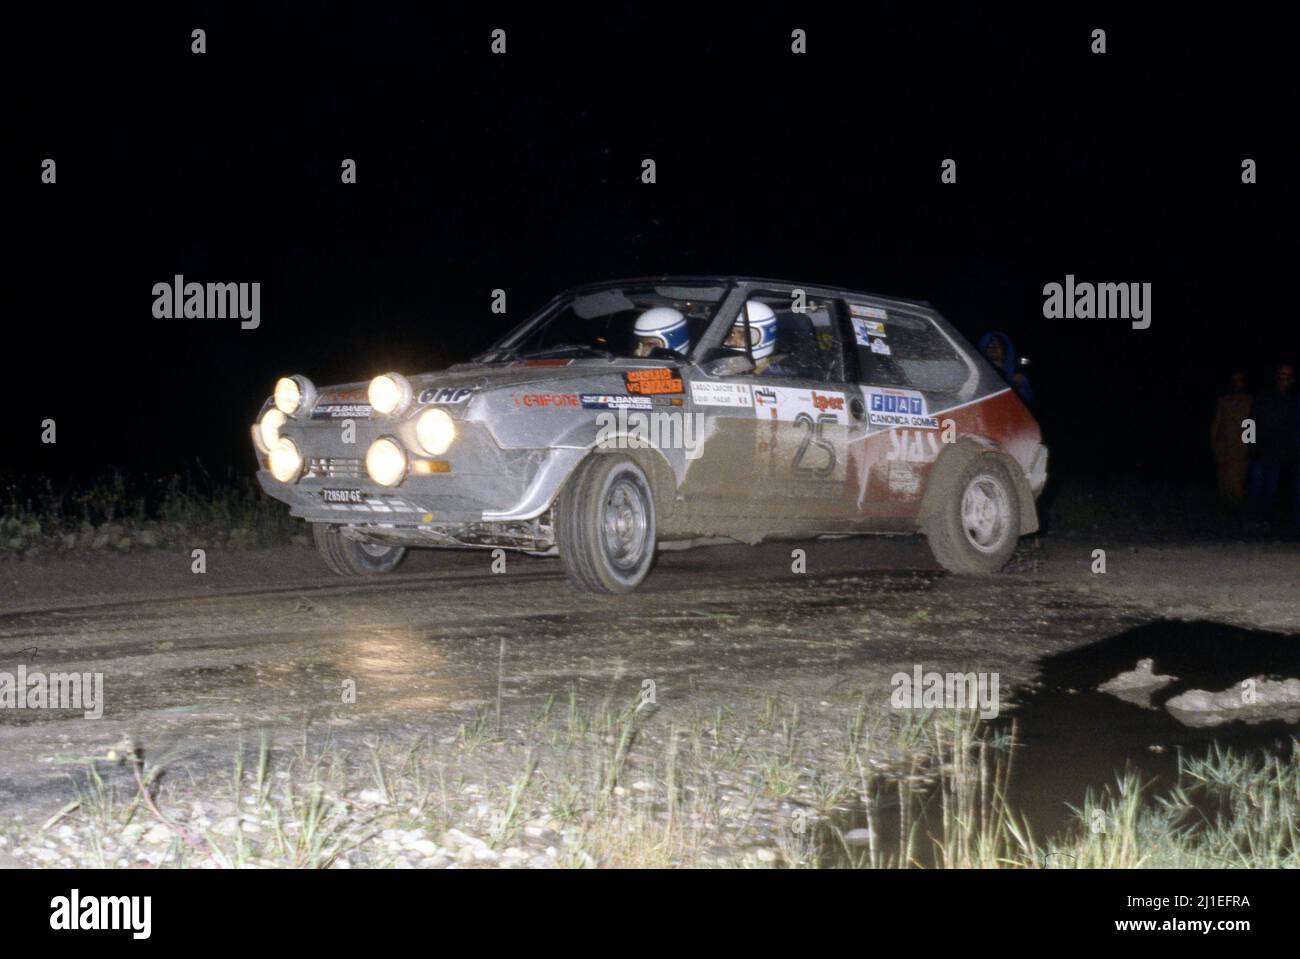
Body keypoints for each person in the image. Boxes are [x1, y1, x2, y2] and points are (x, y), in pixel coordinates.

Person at [1246, 363, 1297, 527]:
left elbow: (1292, 429)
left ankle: (1265, 519)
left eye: (1287, 375)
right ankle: (1252, 519)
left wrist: (1290, 452)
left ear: (1292, 380)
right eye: (1281, 374)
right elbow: (1250, 421)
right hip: (1259, 451)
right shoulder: (1263, 396)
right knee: (1257, 485)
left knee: (1271, 488)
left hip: (1279, 454)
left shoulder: (1292, 401)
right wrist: (1249, 445)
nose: (1283, 378)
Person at [1210, 371, 1252, 505]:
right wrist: (1214, 442)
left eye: (1239, 380)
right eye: (1234, 380)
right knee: (1224, 476)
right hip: (1224, 445)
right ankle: (1225, 504)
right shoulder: (1223, 401)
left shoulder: (1249, 401)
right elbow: (1217, 422)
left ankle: (1237, 505)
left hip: (1241, 446)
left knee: (1238, 478)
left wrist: (1250, 445)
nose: (1236, 383)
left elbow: (1251, 423)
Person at [724, 300, 782, 373]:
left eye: (743, 335)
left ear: (765, 338)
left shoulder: (773, 377)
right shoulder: (726, 368)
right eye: (730, 334)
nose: (733, 341)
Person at [977, 331, 1033, 406]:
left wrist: (1020, 386)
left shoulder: (1017, 375)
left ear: (1005, 349)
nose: (992, 346)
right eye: (988, 344)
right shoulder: (979, 375)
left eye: (998, 344)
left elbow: (1027, 402)